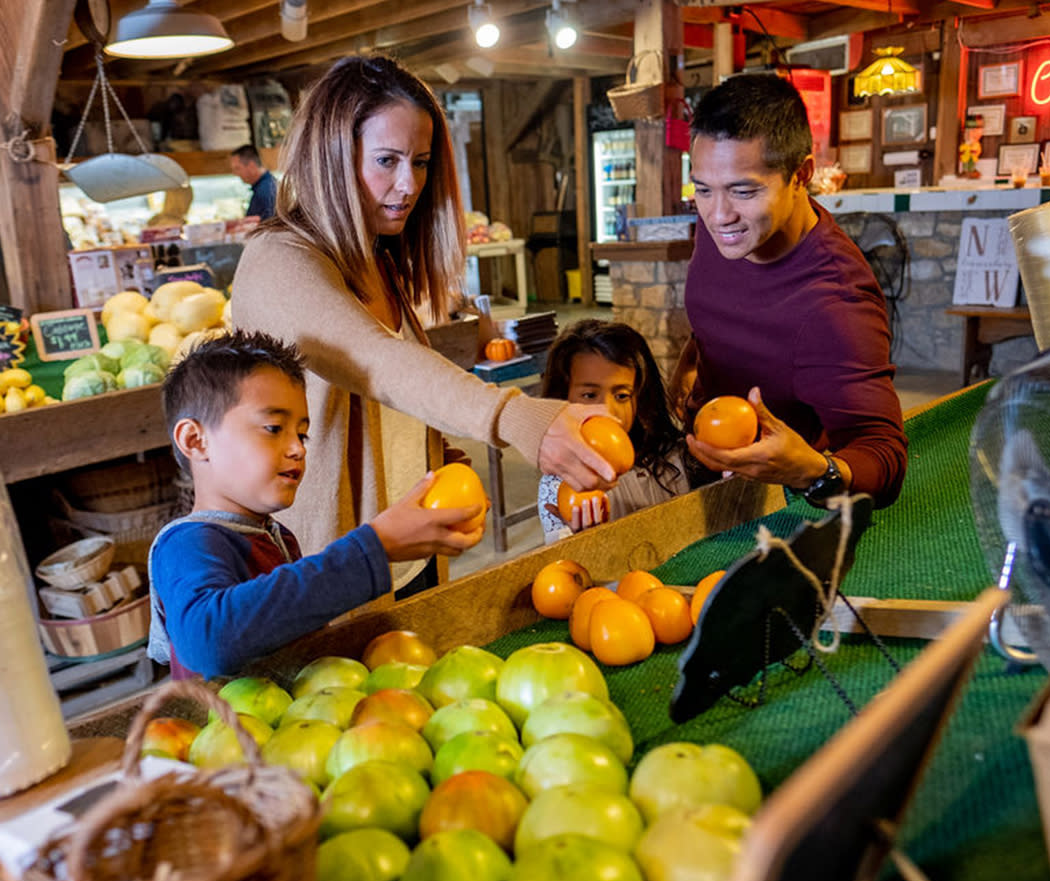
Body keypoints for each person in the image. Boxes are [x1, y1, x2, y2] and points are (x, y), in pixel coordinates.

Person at [231, 55, 613, 592]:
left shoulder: (376, 258)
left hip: (406, 541)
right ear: (333, 155)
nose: (408, 184)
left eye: (421, 161)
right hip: (328, 565)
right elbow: (373, 360)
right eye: (386, 160)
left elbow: (392, 397)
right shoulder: (279, 259)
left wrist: (440, 457)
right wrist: (518, 417)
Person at [147, 331, 483, 680]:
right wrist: (375, 548)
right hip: (233, 731)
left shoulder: (275, 535)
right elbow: (209, 642)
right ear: (195, 440)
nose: (297, 449)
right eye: (274, 427)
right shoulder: (186, 544)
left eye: (302, 434)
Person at [682, 74, 907, 509]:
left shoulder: (838, 305)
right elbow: (725, 318)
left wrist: (811, 471)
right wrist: (694, 363)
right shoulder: (728, 225)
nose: (718, 215)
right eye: (703, 189)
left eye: (743, 190)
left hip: (776, 501)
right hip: (699, 458)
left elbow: (885, 455)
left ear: (801, 174)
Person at [537, 320, 690, 542]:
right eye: (589, 395)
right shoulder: (558, 486)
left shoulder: (671, 456)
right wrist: (584, 541)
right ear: (562, 399)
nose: (608, 411)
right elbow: (567, 571)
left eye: (622, 396)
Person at [229, 145, 278, 219]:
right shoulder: (266, 185)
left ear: (251, 166)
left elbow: (269, 226)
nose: (235, 173)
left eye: (237, 168)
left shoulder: (265, 190)